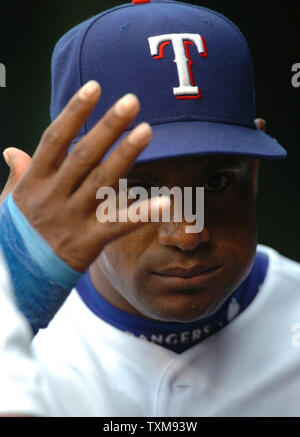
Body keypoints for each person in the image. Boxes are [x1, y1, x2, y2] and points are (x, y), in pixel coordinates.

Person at [0, 0, 300, 417]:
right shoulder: (15, 336)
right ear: (70, 183)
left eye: (215, 183)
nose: (188, 234)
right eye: (138, 190)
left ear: (252, 172)